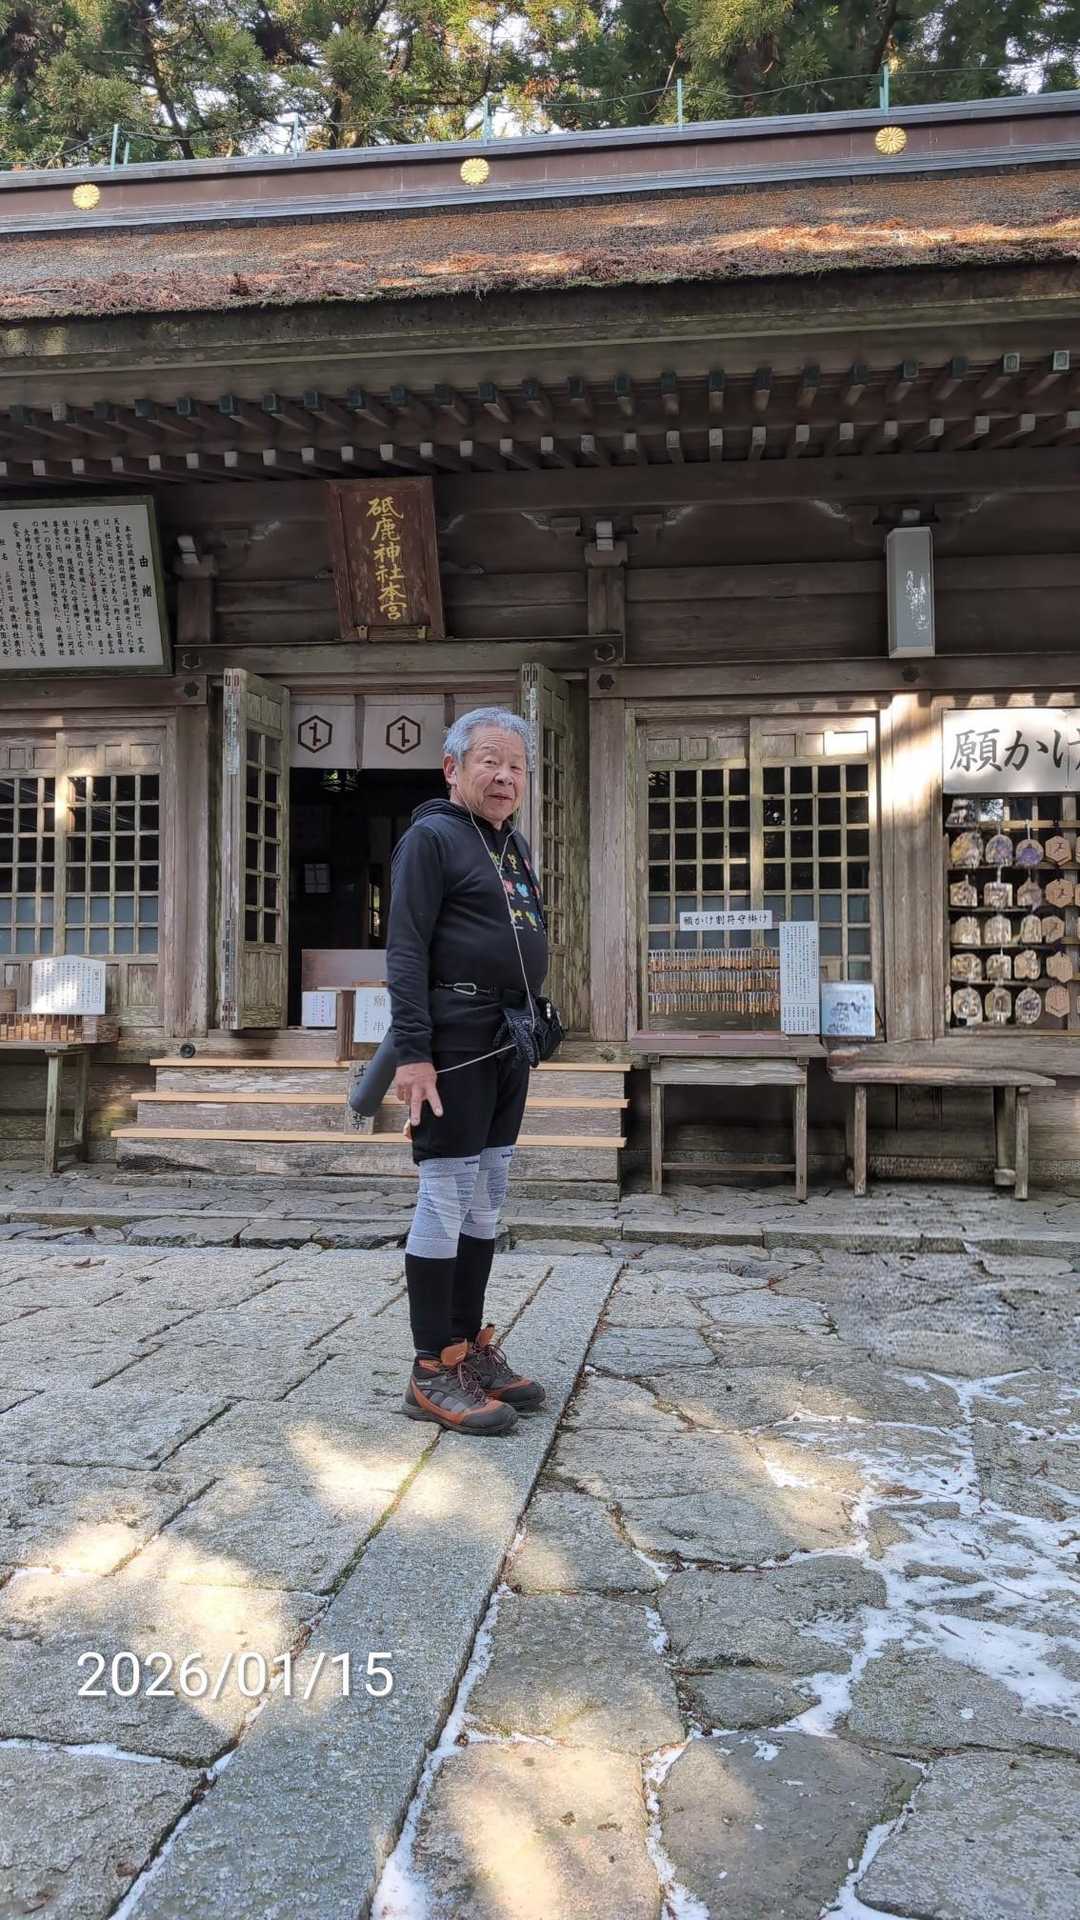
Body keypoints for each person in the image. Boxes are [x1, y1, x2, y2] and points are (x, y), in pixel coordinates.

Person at [386, 707, 550, 1436]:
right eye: (489, 760)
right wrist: (415, 1053)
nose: (505, 775)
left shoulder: (508, 845)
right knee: (447, 1194)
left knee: (488, 1193)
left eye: (516, 764)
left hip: (506, 1037)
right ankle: (430, 1367)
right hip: (453, 1040)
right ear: (452, 768)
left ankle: (468, 1347)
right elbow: (406, 950)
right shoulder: (432, 837)